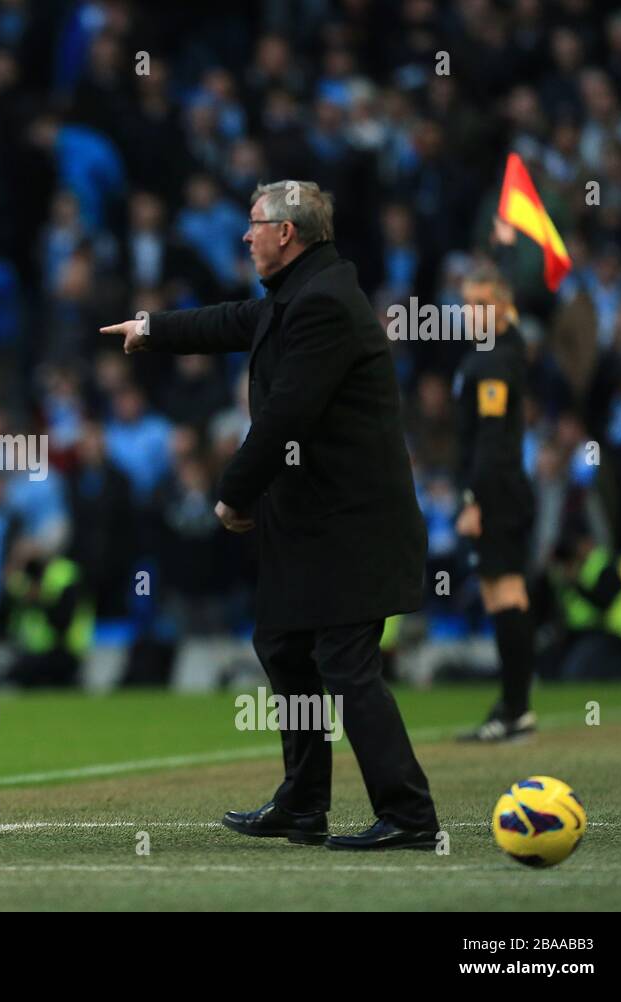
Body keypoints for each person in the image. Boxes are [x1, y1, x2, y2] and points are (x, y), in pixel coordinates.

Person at [101, 180, 440, 851]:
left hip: (351, 523)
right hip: (316, 522)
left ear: (287, 232)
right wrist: (154, 328)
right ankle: (305, 803)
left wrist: (232, 490)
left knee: (346, 663)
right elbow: (233, 321)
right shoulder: (303, 294)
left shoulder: (324, 305)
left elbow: (288, 411)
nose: (246, 236)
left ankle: (409, 813)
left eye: (254, 224)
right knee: (283, 646)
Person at [453, 262, 539, 741]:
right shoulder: (501, 351)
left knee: (504, 594)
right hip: (504, 489)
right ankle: (515, 704)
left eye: (483, 305)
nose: (473, 314)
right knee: (504, 594)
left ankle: (515, 708)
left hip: (496, 493)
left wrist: (473, 500)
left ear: (504, 306)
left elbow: (489, 441)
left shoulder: (493, 363)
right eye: (468, 305)